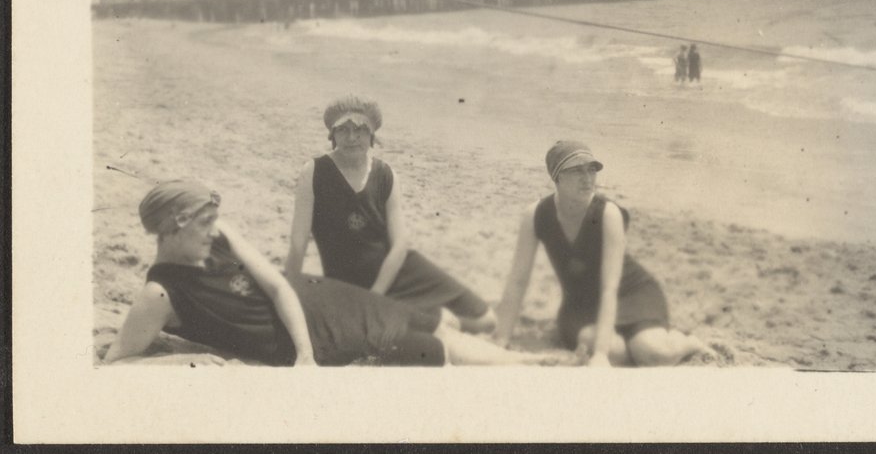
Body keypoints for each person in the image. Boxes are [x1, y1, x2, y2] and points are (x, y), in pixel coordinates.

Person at [105, 180, 558, 366]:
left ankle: (527, 361)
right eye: (201, 225)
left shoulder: (221, 233)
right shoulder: (159, 295)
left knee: (417, 317)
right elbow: (115, 363)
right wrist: (184, 357)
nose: (211, 232)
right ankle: (527, 367)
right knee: (424, 347)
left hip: (312, 302)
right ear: (172, 228)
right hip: (314, 336)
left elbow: (277, 283)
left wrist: (304, 357)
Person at [287, 96, 496, 333]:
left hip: (397, 271)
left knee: (486, 320)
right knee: (394, 328)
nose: (352, 137)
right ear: (331, 135)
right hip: (348, 283)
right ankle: (431, 322)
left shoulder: (386, 174)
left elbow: (400, 246)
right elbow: (298, 244)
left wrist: (376, 295)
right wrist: (290, 292)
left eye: (360, 130)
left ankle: (442, 322)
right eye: (343, 130)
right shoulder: (314, 172)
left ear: (372, 135)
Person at [494, 141, 714, 367]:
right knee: (617, 353)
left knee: (654, 354)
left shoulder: (608, 213)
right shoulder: (536, 215)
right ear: (557, 176)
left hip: (631, 293)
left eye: (591, 169)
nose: (587, 178)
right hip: (580, 305)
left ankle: (688, 342)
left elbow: (610, 287)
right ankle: (640, 341)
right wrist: (501, 340)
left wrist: (599, 354)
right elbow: (518, 281)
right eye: (577, 171)